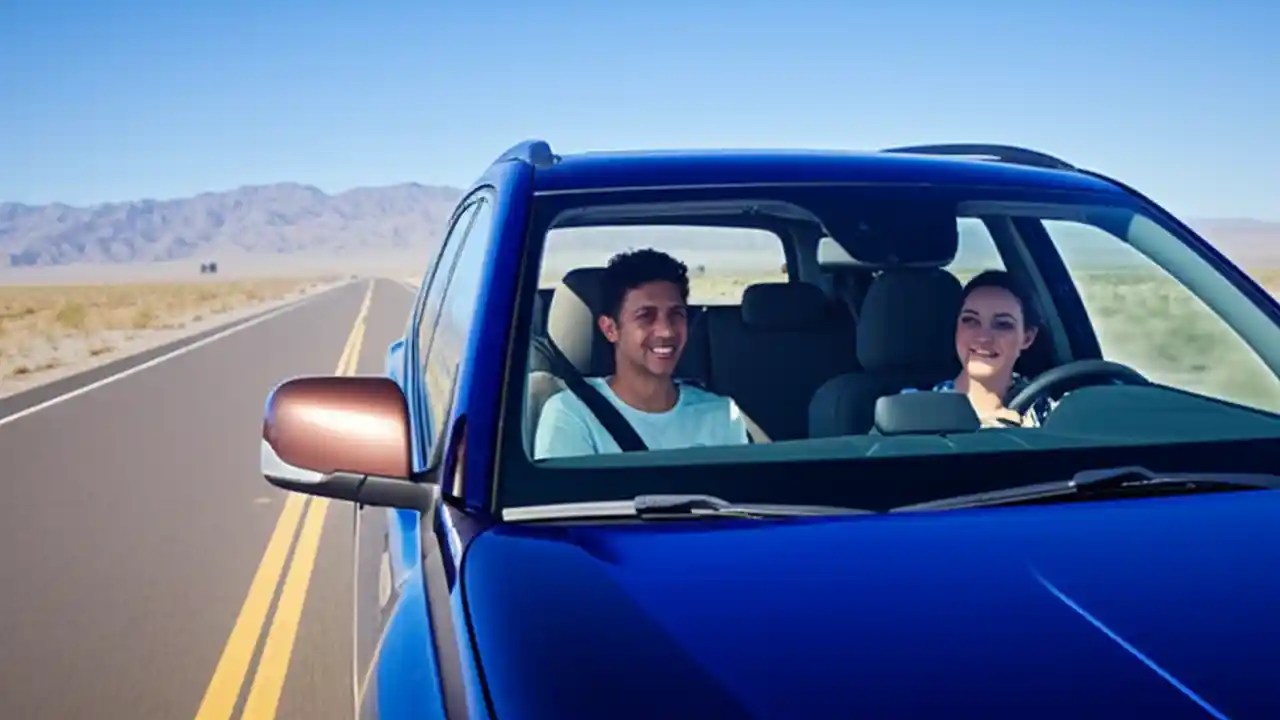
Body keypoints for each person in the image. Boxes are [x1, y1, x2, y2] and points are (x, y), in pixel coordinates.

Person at [534, 248, 750, 458]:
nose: (666, 331)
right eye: (646, 316)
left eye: (676, 314)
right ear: (610, 329)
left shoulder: (721, 414)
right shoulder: (572, 414)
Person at [905, 269, 1054, 428]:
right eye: (970, 320)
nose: (983, 337)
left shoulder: (1050, 413)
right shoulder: (913, 412)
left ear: (1027, 338)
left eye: (1002, 325)